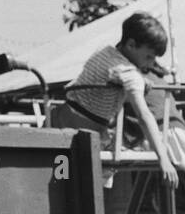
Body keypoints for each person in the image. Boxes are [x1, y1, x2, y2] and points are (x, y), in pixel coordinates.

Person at [61, 11, 179, 190]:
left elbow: (114, 73)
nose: (150, 64)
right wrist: (163, 158)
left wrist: (140, 79)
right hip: (80, 134)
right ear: (131, 44)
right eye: (148, 57)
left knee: (58, 183)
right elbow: (144, 115)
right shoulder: (130, 74)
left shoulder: (105, 51)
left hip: (60, 122)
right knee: (81, 188)